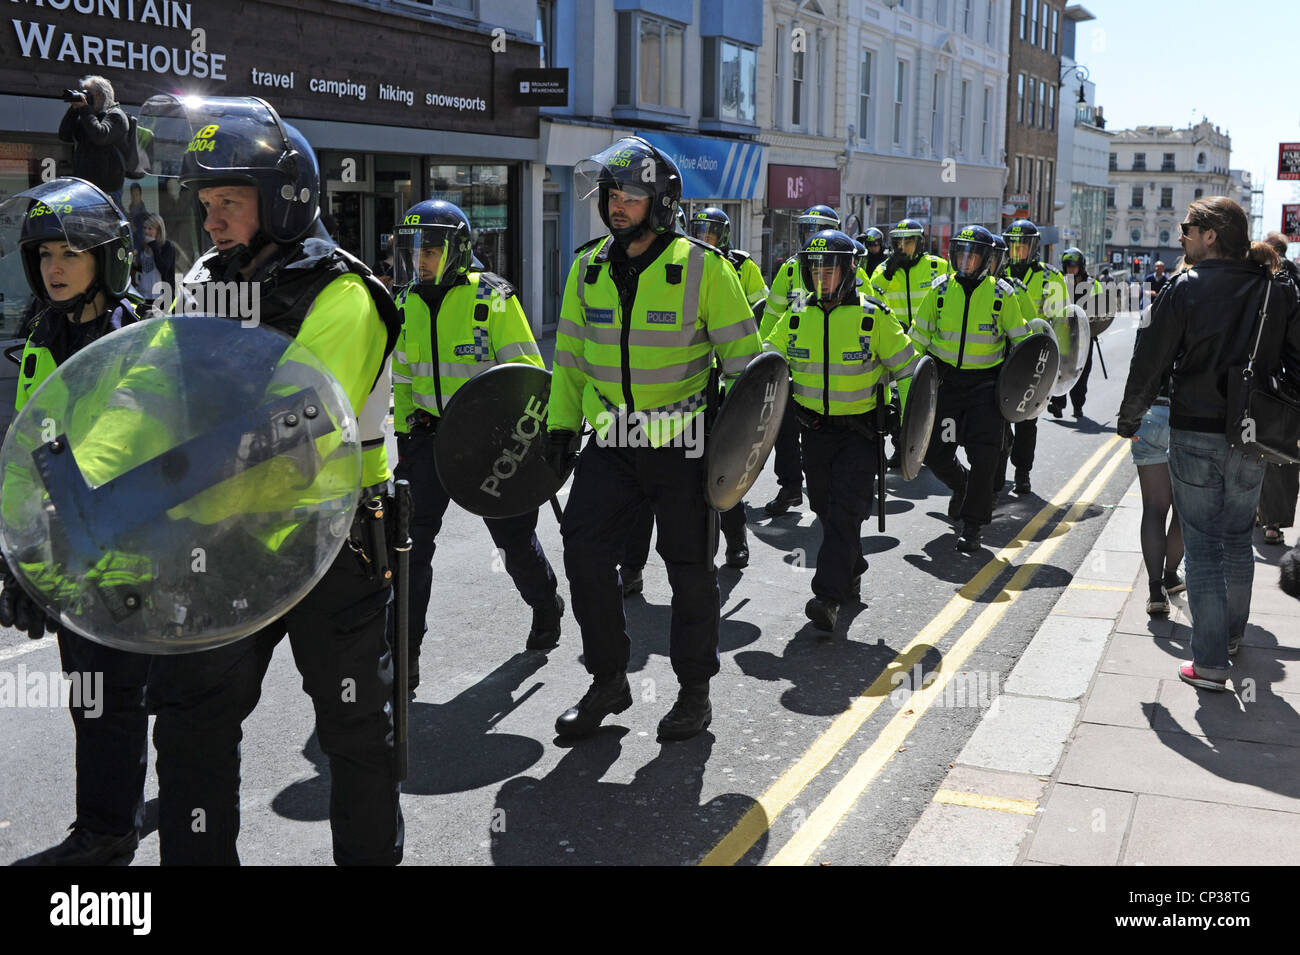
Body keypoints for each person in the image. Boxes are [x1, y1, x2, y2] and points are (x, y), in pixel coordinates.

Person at [139, 95, 404, 862]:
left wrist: (156, 501)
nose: (212, 220)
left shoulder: (345, 295)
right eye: (207, 203)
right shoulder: (201, 282)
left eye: (231, 203)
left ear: (286, 204)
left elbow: (285, 437)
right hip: (224, 548)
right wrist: (69, 503)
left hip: (333, 548)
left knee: (354, 728)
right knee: (190, 724)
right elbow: (146, 390)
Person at [546, 136, 761, 741]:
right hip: (610, 444)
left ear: (661, 203)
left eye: (632, 195)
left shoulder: (704, 269)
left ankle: (695, 693)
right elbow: (569, 363)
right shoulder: (586, 269)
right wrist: (560, 431)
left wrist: (740, 453)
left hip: (682, 447)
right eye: (612, 193)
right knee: (584, 555)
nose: (618, 204)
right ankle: (608, 681)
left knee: (689, 570)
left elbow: (748, 371)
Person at [0, 179, 146, 866]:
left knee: (115, 698)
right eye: (46, 254)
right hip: (65, 550)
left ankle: (109, 829)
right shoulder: (42, 334)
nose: (54, 267)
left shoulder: (136, 335)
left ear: (106, 260)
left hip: (126, 549)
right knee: (92, 694)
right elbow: (26, 454)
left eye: (70, 254)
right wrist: (15, 552)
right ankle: (110, 814)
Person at [1118, 197, 1300, 691]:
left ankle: (1212, 661)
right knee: (1238, 539)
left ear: (1211, 234)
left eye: (1187, 228)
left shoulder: (1183, 288)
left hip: (1195, 431)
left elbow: (1149, 361)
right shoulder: (1274, 289)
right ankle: (1233, 639)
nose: (1181, 236)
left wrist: (1129, 419)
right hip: (1252, 433)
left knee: (1200, 547)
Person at [391, 199, 563, 695]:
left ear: (458, 250)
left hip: (490, 444)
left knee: (511, 540)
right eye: (413, 249)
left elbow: (529, 378)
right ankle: (406, 655)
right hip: (426, 442)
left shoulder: (493, 300)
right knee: (411, 547)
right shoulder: (405, 303)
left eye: (430, 249)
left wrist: (527, 445)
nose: (419, 259)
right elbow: (404, 378)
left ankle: (545, 602)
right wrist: (405, 436)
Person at [764, 230, 919, 631]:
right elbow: (767, 361)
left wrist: (907, 425)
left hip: (859, 435)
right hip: (813, 433)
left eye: (830, 270)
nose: (822, 278)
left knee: (846, 514)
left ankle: (827, 597)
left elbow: (908, 370)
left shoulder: (874, 316)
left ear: (850, 271)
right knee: (823, 509)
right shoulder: (796, 315)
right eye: (815, 270)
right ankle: (853, 566)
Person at [910, 225, 1031, 552]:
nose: (966, 260)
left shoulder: (1001, 295)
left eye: (973, 255)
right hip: (946, 386)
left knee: (985, 457)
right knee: (935, 451)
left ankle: (974, 525)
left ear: (986, 259)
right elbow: (916, 342)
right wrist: (906, 388)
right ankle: (959, 485)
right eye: (961, 253)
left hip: (985, 389)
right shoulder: (938, 291)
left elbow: (1022, 345)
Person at [760, 205, 841, 516]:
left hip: (837, 374)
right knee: (785, 431)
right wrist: (764, 358)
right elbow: (771, 316)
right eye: (806, 230)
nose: (810, 237)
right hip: (795, 369)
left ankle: (836, 492)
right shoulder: (790, 269)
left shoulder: (850, 267)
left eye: (816, 230)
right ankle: (791, 487)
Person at [1124, 296, 1186, 615]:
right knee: (1183, 509)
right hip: (1189, 419)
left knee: (1154, 508)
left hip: (1150, 415)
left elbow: (1139, 364)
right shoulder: (1210, 307)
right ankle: (1171, 575)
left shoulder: (1152, 311)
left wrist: (1129, 415)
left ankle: (1155, 593)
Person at [998, 219, 1066, 494]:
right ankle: (998, 471)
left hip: (1035, 359)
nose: (1016, 251)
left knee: (1027, 419)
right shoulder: (996, 273)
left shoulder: (1052, 278)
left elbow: (1061, 325)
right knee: (999, 419)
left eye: (1022, 246)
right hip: (1002, 355)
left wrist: (1059, 370)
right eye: (1012, 245)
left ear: (1034, 247)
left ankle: (1022, 471)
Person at [1257, 233, 1300, 545]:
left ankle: (1262, 516)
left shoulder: (1266, 284)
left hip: (1263, 380)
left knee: (1254, 447)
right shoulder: (1295, 282)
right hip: (1291, 385)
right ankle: (1273, 522)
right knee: (1283, 452)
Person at [57, 76, 130, 203]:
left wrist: (85, 109)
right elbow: (64, 135)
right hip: (84, 186)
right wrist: (74, 110)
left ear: (102, 96)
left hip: (107, 189)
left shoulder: (116, 116)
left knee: (101, 223)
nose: (85, 97)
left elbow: (100, 136)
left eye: (88, 94)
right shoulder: (88, 117)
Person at [131, 212, 177, 312]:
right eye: (144, 228)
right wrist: (134, 264)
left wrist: (153, 245)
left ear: (158, 231)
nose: (146, 231)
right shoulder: (142, 247)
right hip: (144, 297)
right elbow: (145, 269)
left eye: (150, 228)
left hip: (161, 298)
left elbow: (164, 269)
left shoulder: (167, 247)